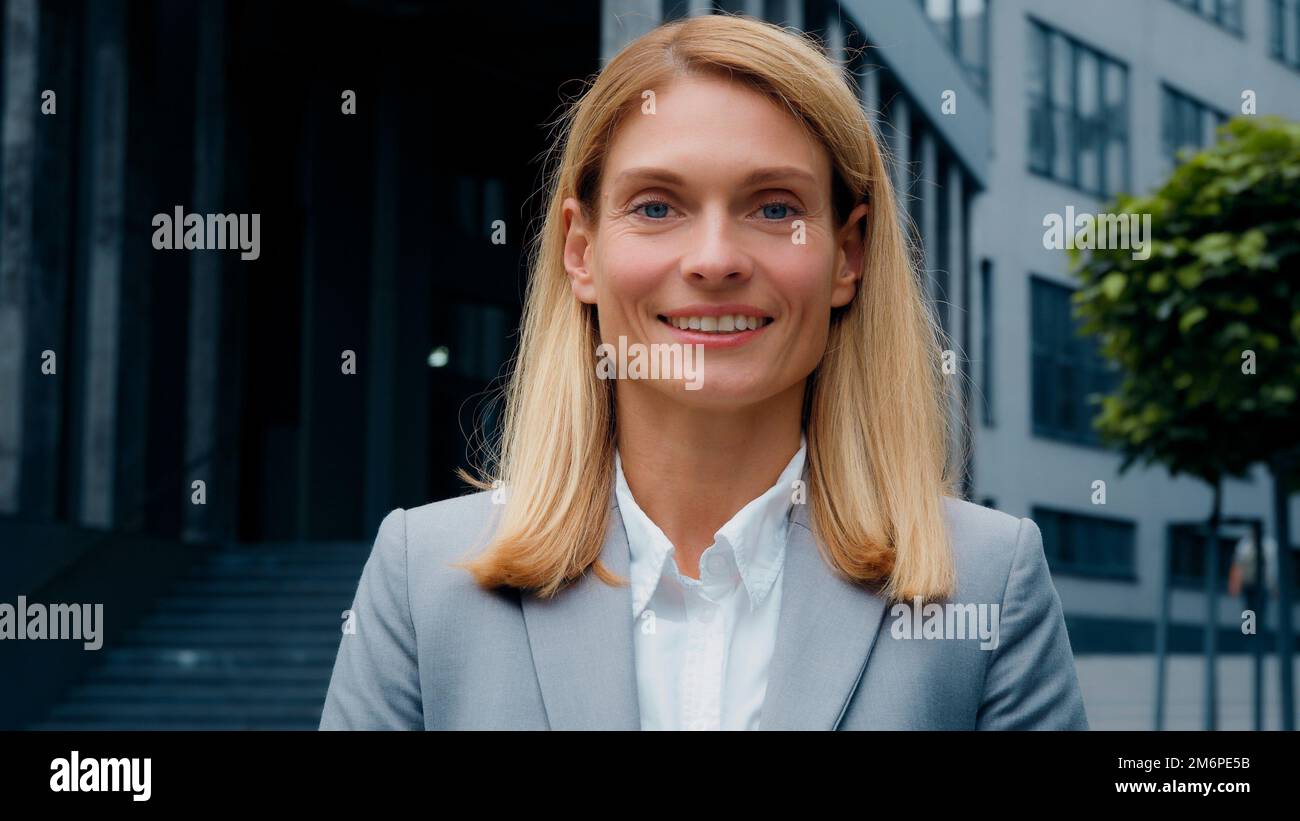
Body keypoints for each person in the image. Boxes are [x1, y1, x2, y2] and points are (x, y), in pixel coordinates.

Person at [319, 13, 1088, 731]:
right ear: (581, 251)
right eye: (656, 207)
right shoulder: (423, 577)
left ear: (848, 256)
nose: (715, 260)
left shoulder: (988, 579)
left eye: (774, 207)